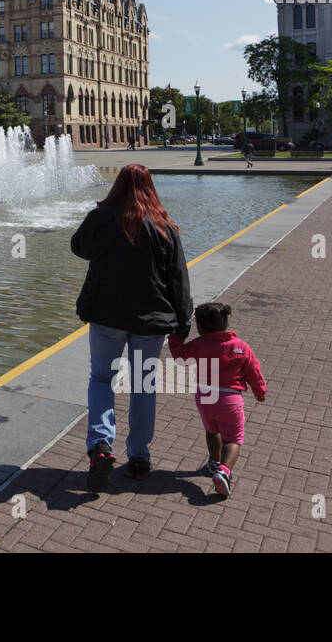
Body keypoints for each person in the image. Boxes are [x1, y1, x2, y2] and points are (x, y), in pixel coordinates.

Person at [71, 164, 193, 491]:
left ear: (117, 186)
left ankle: (100, 446)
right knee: (143, 385)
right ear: (150, 188)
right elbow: (179, 279)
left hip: (107, 316)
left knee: (101, 379)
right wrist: (184, 321)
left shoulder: (101, 218)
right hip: (150, 321)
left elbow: (78, 247)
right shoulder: (164, 226)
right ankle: (138, 456)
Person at [167, 302, 267, 497]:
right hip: (230, 400)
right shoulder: (240, 347)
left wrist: (175, 336)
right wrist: (259, 390)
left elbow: (180, 357)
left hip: (205, 397)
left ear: (201, 327)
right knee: (234, 439)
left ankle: (214, 462)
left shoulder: (199, 344)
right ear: (226, 322)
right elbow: (253, 371)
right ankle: (224, 471)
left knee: (212, 430)